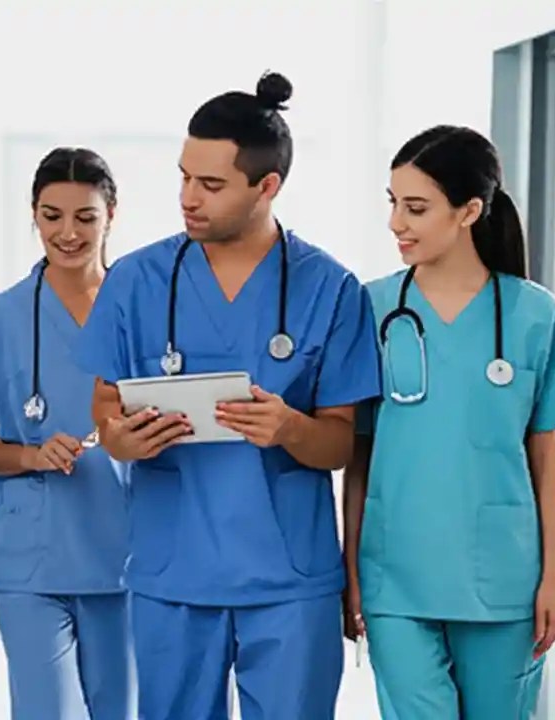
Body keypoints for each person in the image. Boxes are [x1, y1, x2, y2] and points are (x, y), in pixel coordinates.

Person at [75, 71, 381, 720]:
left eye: (210, 185)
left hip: (288, 578)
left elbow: (339, 444)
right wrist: (117, 437)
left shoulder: (330, 287)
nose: (189, 197)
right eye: (184, 176)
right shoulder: (136, 279)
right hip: (173, 571)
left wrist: (288, 429)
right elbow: (104, 405)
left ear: (266, 187)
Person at [342, 125, 555, 719]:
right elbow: (359, 454)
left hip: (504, 579)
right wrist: (350, 567)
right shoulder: (371, 308)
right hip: (395, 576)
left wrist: (553, 575)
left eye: (416, 207)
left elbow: (543, 454)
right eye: (392, 204)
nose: (396, 223)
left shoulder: (535, 314)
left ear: (470, 211)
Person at [0, 147, 136, 720]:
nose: (67, 233)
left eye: (85, 217)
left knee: (119, 712)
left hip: (125, 554)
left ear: (111, 215)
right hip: (33, 560)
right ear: (33, 214)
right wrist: (31, 455)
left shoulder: (139, 312)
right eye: (52, 216)